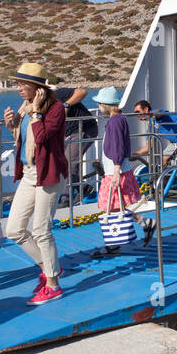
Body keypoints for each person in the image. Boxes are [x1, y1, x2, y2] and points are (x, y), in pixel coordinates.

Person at [2, 62, 69, 304]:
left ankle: (53, 284)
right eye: (17, 83)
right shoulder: (26, 108)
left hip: (49, 174)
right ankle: (48, 268)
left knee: (41, 230)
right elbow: (25, 139)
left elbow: (40, 137)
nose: (18, 88)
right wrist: (12, 125)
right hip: (30, 173)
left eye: (22, 84)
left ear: (37, 87)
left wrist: (37, 112)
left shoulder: (55, 109)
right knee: (14, 230)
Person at [94, 87, 155, 253]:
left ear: (105, 105)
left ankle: (113, 244)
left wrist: (115, 170)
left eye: (99, 103)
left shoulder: (114, 121)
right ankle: (144, 223)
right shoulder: (119, 119)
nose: (98, 106)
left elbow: (117, 147)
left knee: (111, 205)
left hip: (115, 170)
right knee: (114, 206)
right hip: (119, 168)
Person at [52, 82, 96, 203]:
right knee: (61, 163)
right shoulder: (37, 106)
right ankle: (84, 188)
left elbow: (82, 91)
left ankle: (66, 199)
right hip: (68, 133)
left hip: (84, 128)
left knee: (70, 162)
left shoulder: (57, 94)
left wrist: (66, 105)